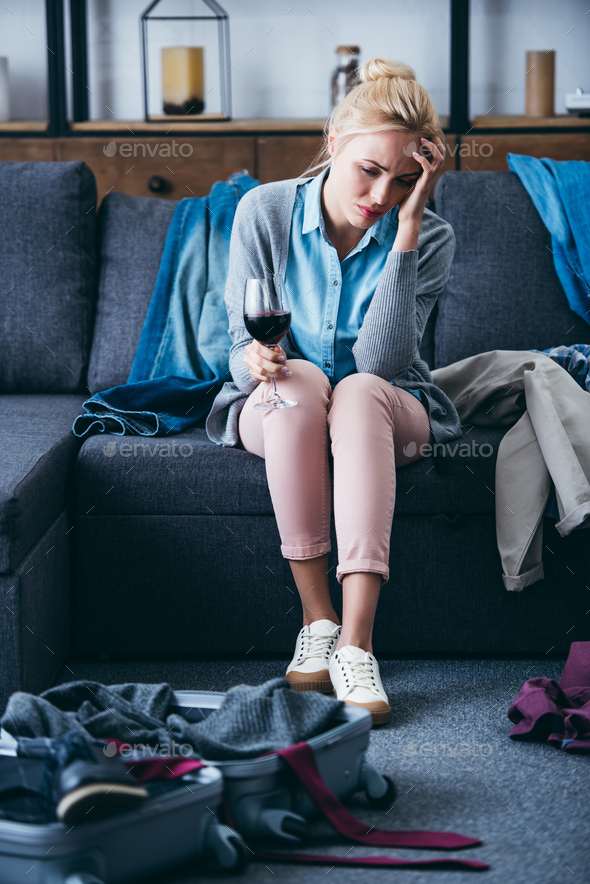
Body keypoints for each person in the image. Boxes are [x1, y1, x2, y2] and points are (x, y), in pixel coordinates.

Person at [206, 57, 462, 725]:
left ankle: (355, 642)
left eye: (405, 179)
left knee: (352, 392)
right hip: (282, 406)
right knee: (299, 379)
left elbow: (382, 363)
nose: (381, 193)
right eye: (369, 170)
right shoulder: (264, 212)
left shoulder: (429, 237)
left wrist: (404, 233)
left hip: (387, 408)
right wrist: (256, 360)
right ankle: (316, 621)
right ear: (334, 142)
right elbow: (237, 348)